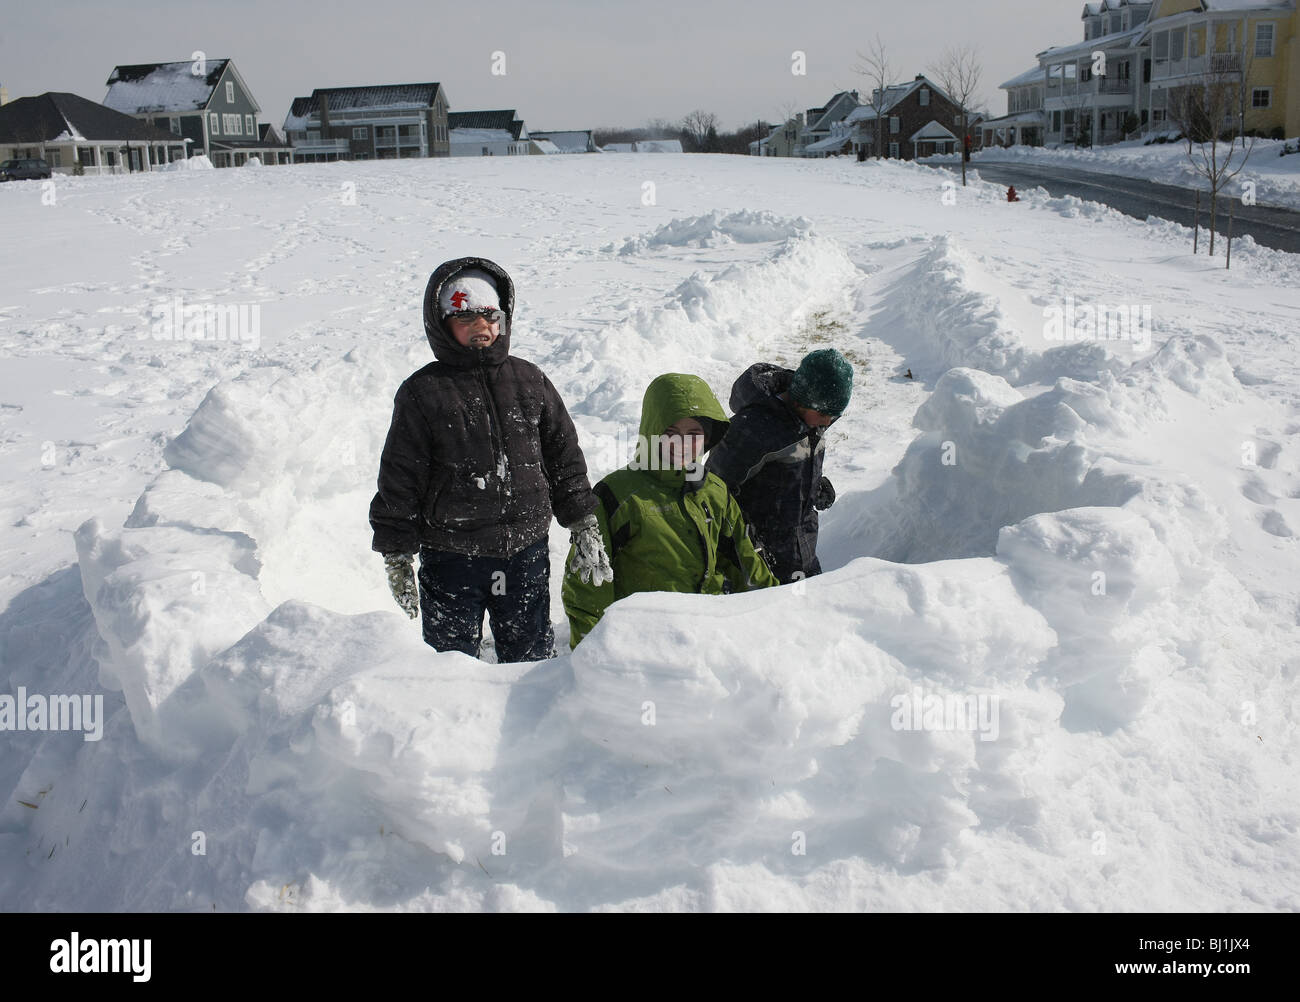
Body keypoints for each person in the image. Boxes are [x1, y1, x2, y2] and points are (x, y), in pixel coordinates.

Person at [369, 256, 612, 662]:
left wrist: (583, 521)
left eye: (489, 316)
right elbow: (400, 475)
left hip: (525, 551)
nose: (480, 327)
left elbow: (563, 456)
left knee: (530, 654)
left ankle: (532, 722)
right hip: (452, 555)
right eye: (465, 318)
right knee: (450, 660)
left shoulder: (529, 380)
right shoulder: (423, 392)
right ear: (443, 324)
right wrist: (396, 550)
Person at [562, 372, 779, 648]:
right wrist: (591, 653)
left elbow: (744, 561)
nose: (683, 445)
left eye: (693, 435)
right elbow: (588, 586)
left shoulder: (714, 492)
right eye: (672, 434)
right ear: (652, 433)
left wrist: (775, 614)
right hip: (641, 645)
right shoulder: (617, 496)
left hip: (706, 637)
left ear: (708, 438)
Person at [706, 348, 853, 584]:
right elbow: (713, 488)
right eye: (824, 414)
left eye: (834, 415)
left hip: (801, 551)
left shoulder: (811, 424)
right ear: (801, 399)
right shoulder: (754, 429)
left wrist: (813, 486)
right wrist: (745, 536)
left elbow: (787, 472)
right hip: (757, 561)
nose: (828, 422)